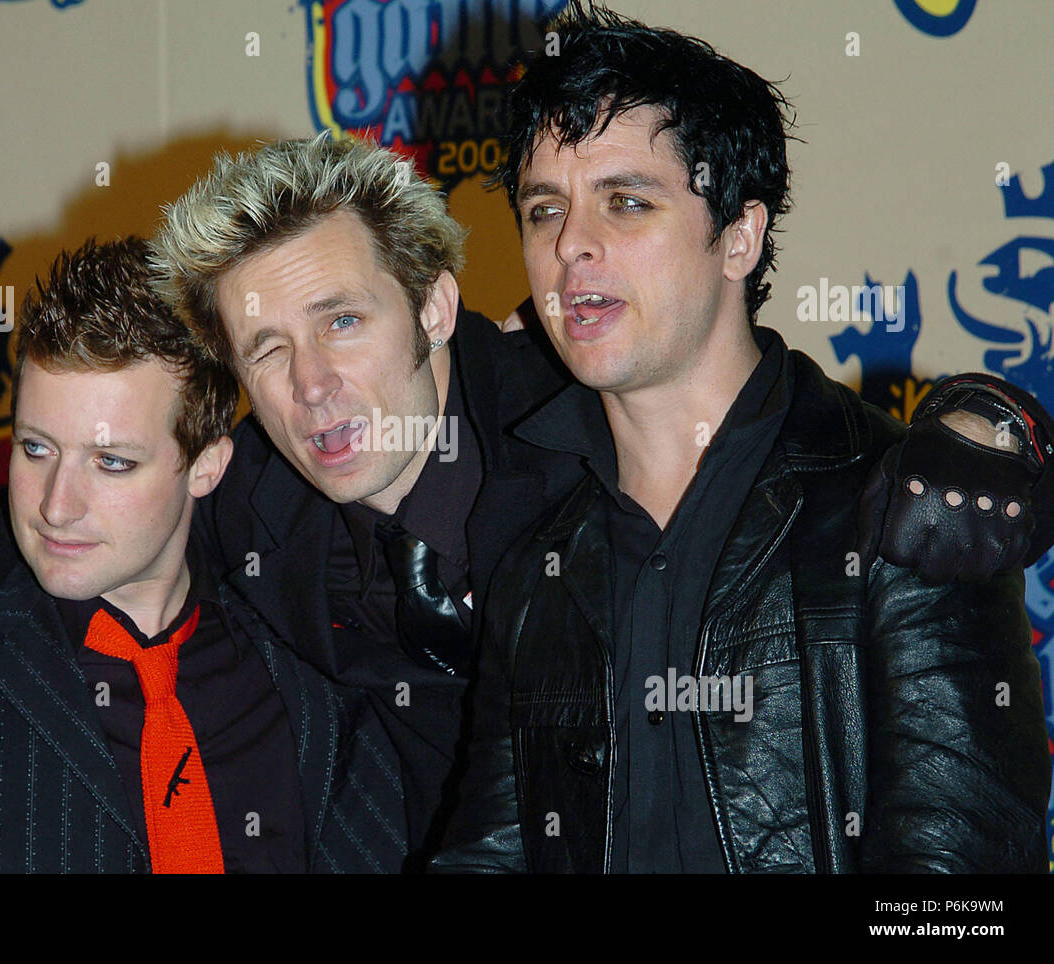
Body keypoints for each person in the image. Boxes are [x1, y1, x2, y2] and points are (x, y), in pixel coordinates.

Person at [0, 137, 1054, 871]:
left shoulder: (575, 418)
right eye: (265, 349)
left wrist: (988, 416)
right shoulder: (253, 472)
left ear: (432, 311)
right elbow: (70, 478)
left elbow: (774, 422)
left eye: (342, 321)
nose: (311, 386)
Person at [431, 2, 1051, 873]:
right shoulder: (541, 562)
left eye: (626, 202)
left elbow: (959, 890)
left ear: (739, 237)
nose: (572, 245)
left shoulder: (895, 513)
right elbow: (494, 853)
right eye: (544, 210)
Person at [0, 237, 406, 874]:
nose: (57, 506)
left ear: (207, 465)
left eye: (112, 462)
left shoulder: (317, 685)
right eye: (37, 449)